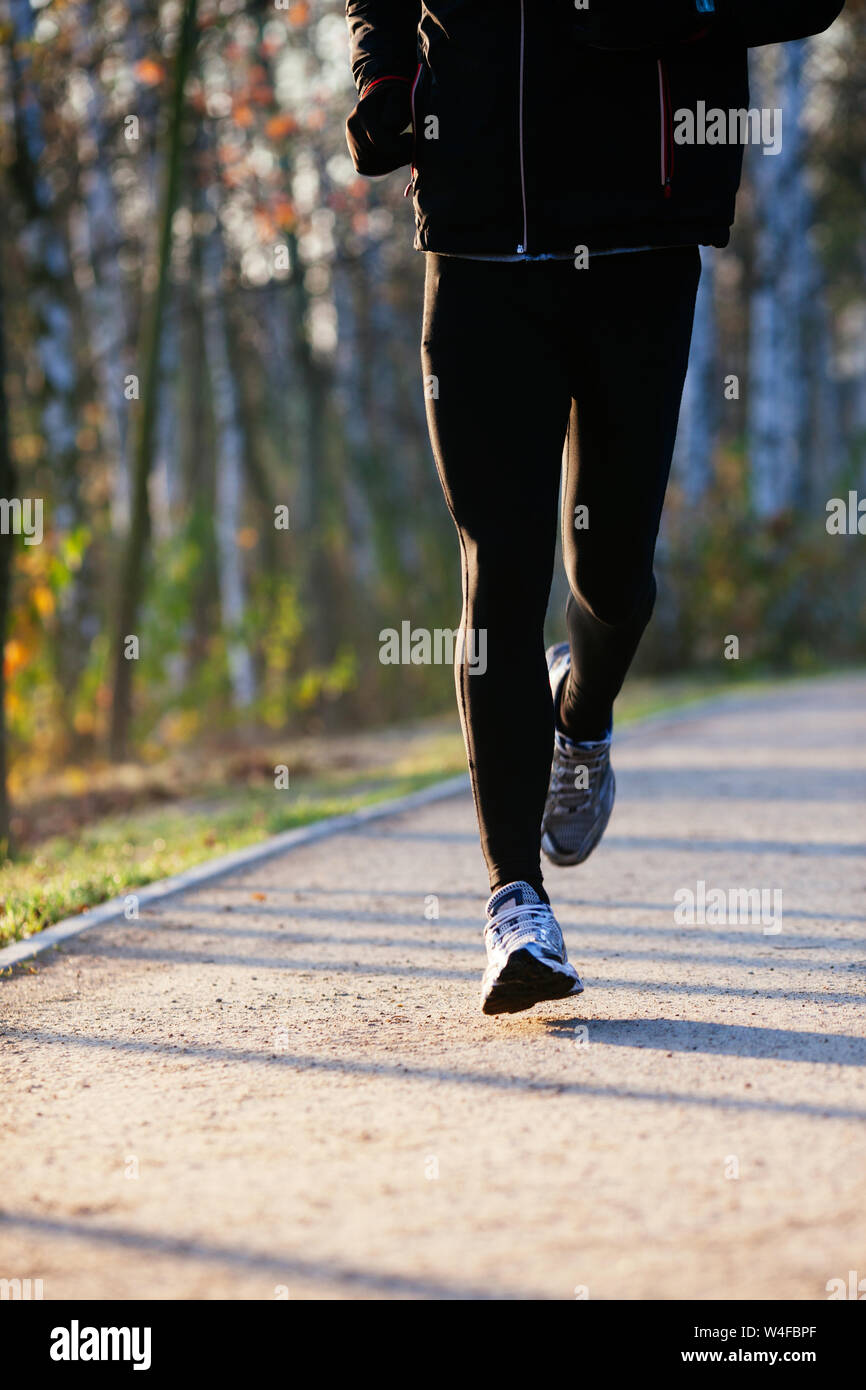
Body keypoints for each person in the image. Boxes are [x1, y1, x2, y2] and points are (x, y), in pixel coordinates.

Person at [344, 0, 845, 1015]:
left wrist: (690, 13)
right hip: (479, 236)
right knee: (502, 563)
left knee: (611, 570)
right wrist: (383, 78)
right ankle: (512, 903)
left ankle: (584, 710)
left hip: (636, 235)